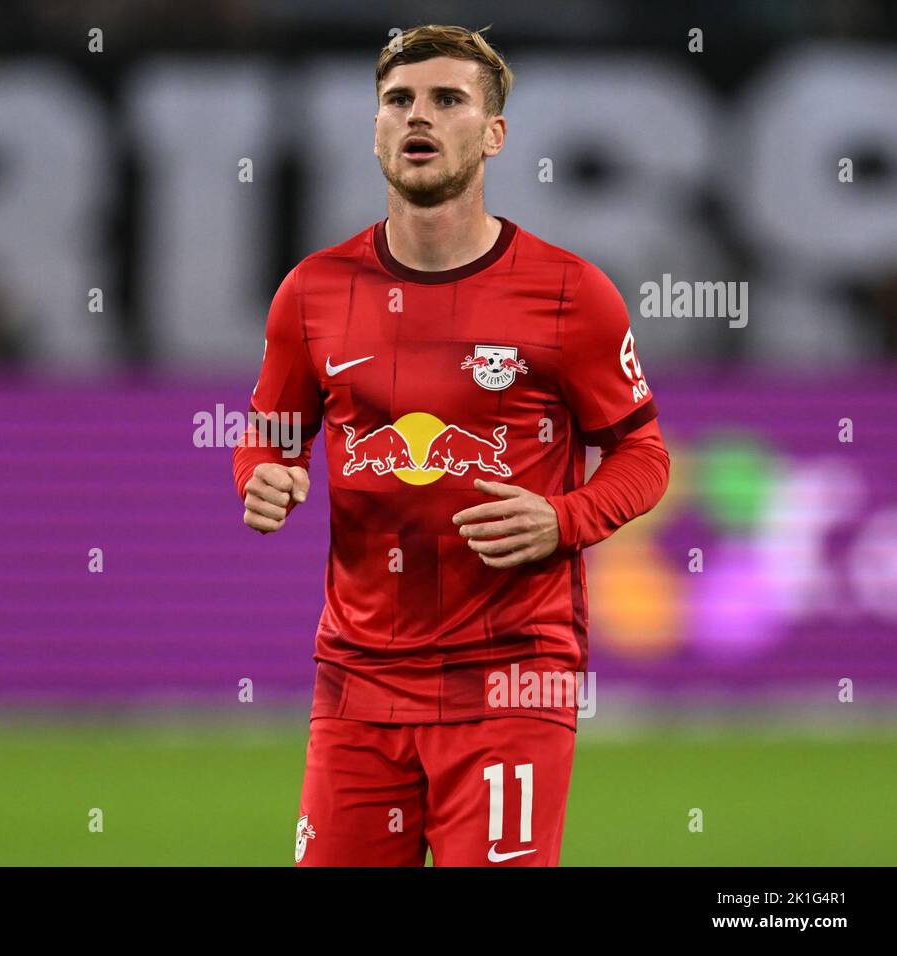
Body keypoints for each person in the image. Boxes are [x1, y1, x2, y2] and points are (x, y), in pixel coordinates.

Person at [232, 24, 670, 866]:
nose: (417, 117)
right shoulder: (313, 293)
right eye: (398, 101)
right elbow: (270, 436)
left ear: (493, 134)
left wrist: (565, 519)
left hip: (512, 676)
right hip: (358, 680)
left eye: (447, 100)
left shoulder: (570, 294)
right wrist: (263, 475)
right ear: (375, 128)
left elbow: (643, 455)